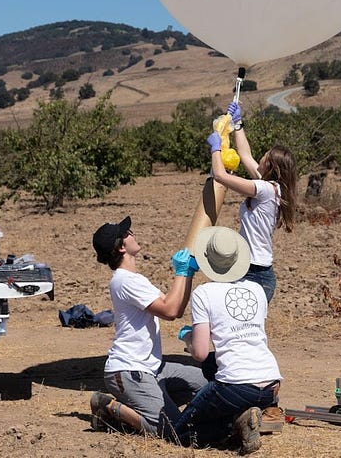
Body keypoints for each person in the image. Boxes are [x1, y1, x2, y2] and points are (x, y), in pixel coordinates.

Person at [89, 216, 207, 438]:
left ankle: (143, 410)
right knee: (173, 432)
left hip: (153, 368)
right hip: (129, 371)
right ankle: (111, 408)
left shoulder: (136, 279)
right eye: (127, 232)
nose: (132, 233)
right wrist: (180, 273)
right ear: (122, 247)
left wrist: (187, 274)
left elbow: (175, 308)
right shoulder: (126, 281)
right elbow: (170, 311)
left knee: (208, 386)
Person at [171, 226, 282, 454]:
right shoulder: (257, 289)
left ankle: (235, 423)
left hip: (236, 386)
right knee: (213, 362)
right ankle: (246, 414)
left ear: (206, 260)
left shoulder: (204, 293)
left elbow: (199, 352)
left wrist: (188, 336)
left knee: (179, 433)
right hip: (271, 385)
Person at [207, 100, 298, 304]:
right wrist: (237, 124)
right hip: (246, 267)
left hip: (254, 272)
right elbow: (245, 155)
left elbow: (221, 176)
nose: (261, 159)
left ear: (271, 166)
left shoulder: (265, 189)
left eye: (265, 157)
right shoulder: (273, 187)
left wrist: (216, 149)